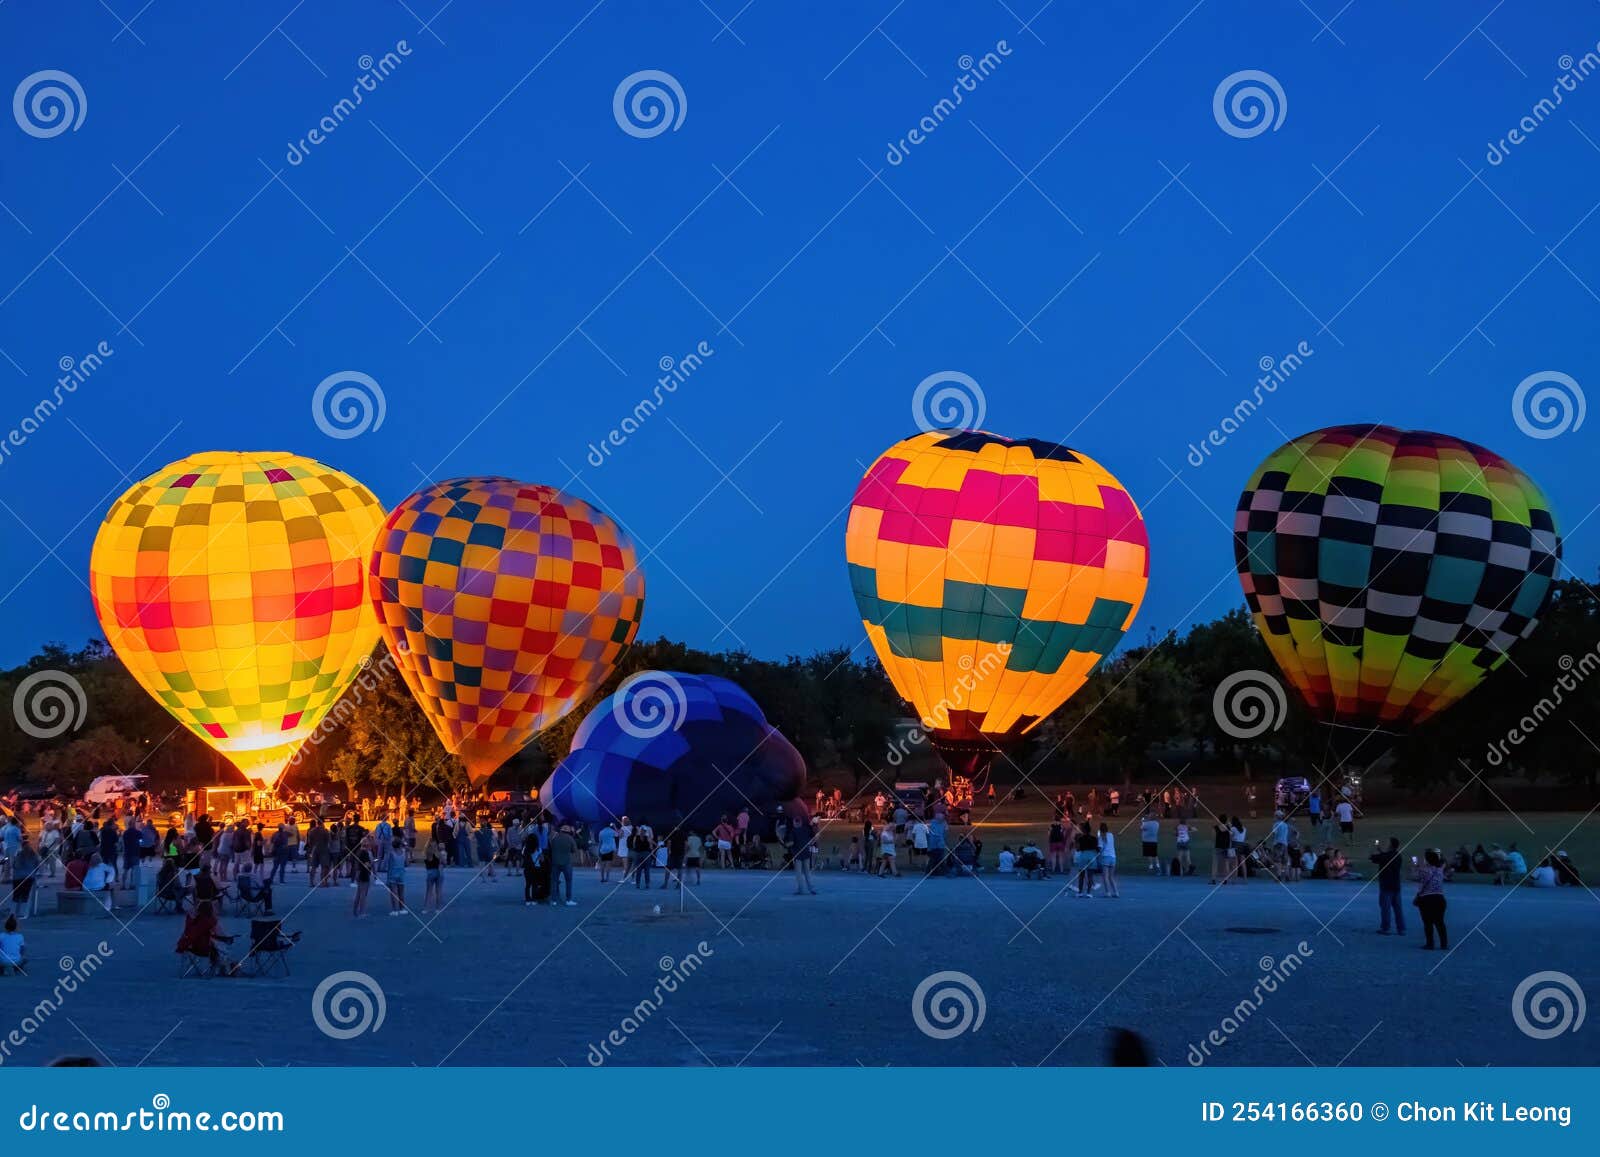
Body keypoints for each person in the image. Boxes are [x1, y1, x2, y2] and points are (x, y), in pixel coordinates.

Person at [1370, 837, 1406, 936]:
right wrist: (1380, 850)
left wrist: (1375, 849)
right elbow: (1384, 856)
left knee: (1385, 907)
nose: (1385, 844)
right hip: (1396, 885)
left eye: (1387, 842)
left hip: (1386, 885)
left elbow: (1373, 858)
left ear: (1390, 845)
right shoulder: (1398, 855)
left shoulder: (1386, 856)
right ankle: (1401, 929)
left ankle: (1386, 928)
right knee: (1398, 908)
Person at [1414, 848, 1448, 949]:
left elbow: (1415, 876)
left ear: (1427, 859)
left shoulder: (1423, 870)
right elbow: (1444, 861)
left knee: (1427, 922)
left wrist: (1414, 865)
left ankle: (1430, 943)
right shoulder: (1440, 869)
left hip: (1426, 898)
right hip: (1439, 897)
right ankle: (1444, 943)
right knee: (1440, 922)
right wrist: (1438, 852)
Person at [787, 803, 818, 896]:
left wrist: (786, 844)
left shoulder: (793, 831)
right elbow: (814, 837)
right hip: (806, 854)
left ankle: (801, 889)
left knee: (799, 874)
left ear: (795, 823)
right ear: (800, 822)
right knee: (808, 873)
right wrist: (811, 843)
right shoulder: (806, 829)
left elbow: (791, 843)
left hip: (797, 855)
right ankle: (811, 888)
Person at [549, 824, 577, 906]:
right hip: (566, 862)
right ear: (568, 832)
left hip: (555, 862)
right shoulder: (570, 838)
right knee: (568, 881)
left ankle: (553, 900)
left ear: (560, 830)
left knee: (554, 882)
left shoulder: (555, 838)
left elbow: (551, 848)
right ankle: (568, 900)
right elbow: (574, 850)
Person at [384, 836, 407, 916]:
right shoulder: (404, 852)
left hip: (393, 874)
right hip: (401, 874)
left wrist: (388, 878)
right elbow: (406, 863)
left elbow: (389, 866)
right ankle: (402, 909)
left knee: (394, 893)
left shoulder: (391, 853)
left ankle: (395, 910)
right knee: (401, 893)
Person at [1098, 823, 1119, 898]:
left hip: (1105, 857)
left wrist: (1099, 855)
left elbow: (1100, 849)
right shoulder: (1111, 835)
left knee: (1105, 876)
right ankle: (1116, 892)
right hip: (1113, 857)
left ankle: (1108, 892)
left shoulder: (1100, 837)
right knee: (1111, 877)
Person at [422, 843, 443, 914]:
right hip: (439, 872)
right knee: (438, 891)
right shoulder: (439, 854)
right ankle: (438, 908)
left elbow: (426, 864)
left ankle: (426, 908)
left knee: (428, 891)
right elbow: (444, 863)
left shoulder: (427, 854)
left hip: (430, 872)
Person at [1210, 820, 1231, 885]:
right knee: (1226, 864)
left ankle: (1213, 879)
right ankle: (1225, 880)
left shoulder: (1216, 827)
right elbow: (1231, 837)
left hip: (1218, 847)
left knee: (1215, 864)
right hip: (1226, 847)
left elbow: (1212, 836)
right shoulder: (1229, 827)